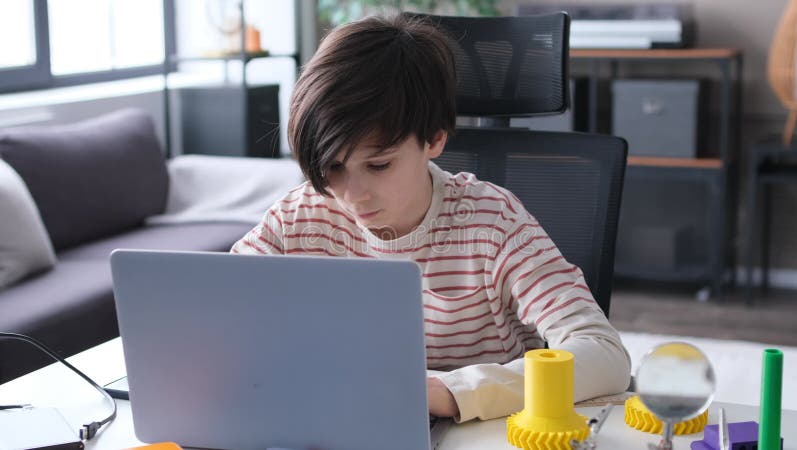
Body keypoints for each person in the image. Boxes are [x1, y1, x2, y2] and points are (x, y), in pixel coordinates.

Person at [231, 14, 631, 422]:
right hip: (339, 423)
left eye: (379, 165)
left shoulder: (492, 223)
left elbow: (604, 354)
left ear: (435, 137)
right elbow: (216, 319)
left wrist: (449, 392)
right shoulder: (296, 219)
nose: (352, 196)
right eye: (332, 167)